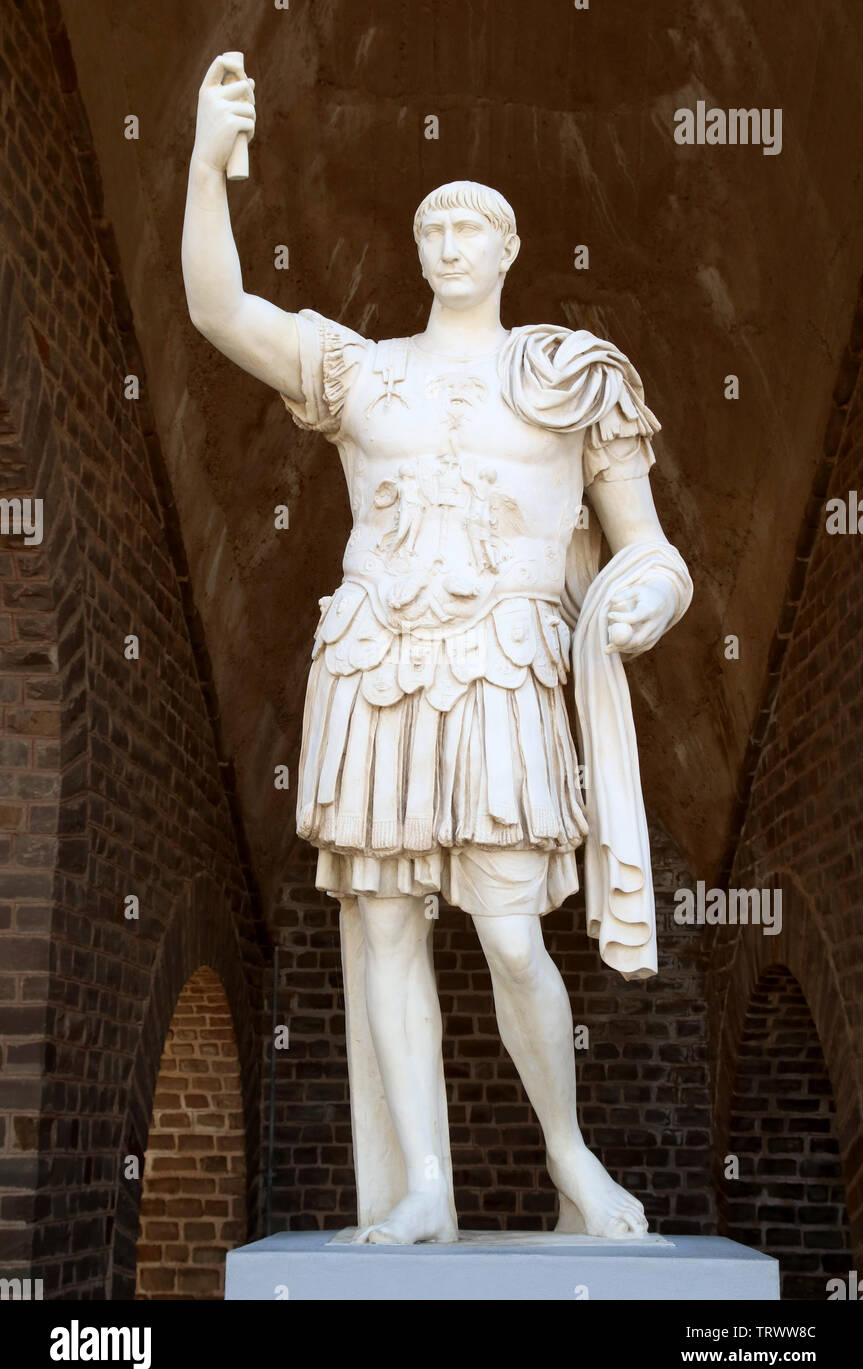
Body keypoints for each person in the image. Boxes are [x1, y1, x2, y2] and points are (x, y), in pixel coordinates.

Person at [183, 54, 692, 1244]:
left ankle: (569, 1159)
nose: (451, 237)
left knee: (512, 935)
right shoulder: (364, 373)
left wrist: (639, 600)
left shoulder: (570, 377)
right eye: (433, 224)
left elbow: (652, 550)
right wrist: (208, 161)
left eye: (473, 222)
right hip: (375, 662)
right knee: (385, 923)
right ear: (417, 254)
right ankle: (423, 1183)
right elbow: (218, 309)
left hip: (506, 666)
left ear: (509, 249)